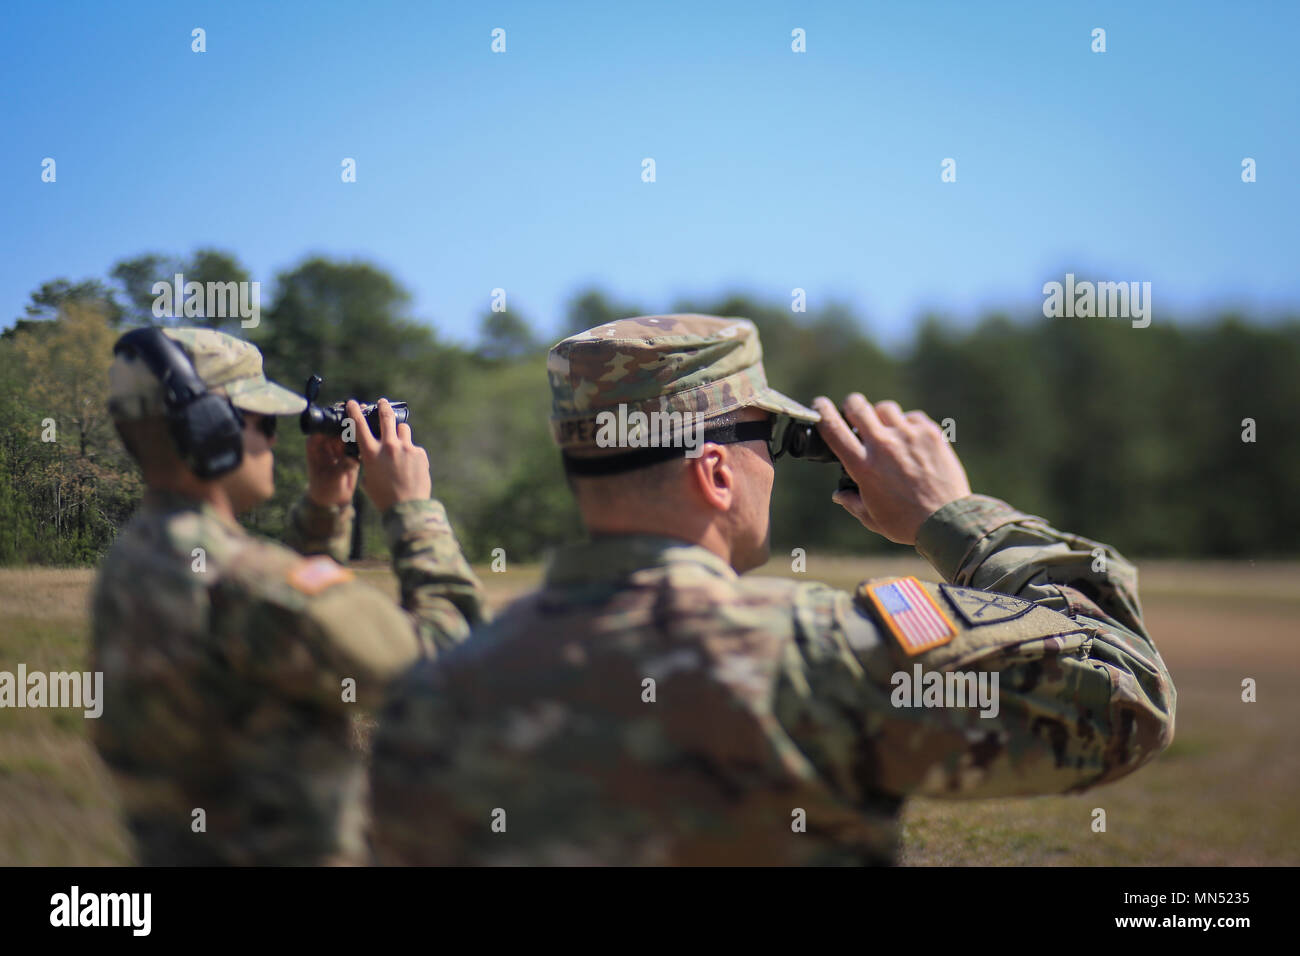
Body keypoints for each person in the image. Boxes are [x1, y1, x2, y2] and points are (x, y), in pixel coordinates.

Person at [370, 313, 1176, 866]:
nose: (777, 469)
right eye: (775, 442)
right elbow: (1127, 694)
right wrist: (953, 518)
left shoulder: (449, 685)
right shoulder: (825, 653)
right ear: (716, 472)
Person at [91, 326, 484, 865]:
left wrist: (326, 507)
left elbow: (270, 644)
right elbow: (447, 673)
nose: (274, 440)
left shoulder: (134, 559)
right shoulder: (247, 583)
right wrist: (412, 509)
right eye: (262, 423)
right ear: (210, 429)